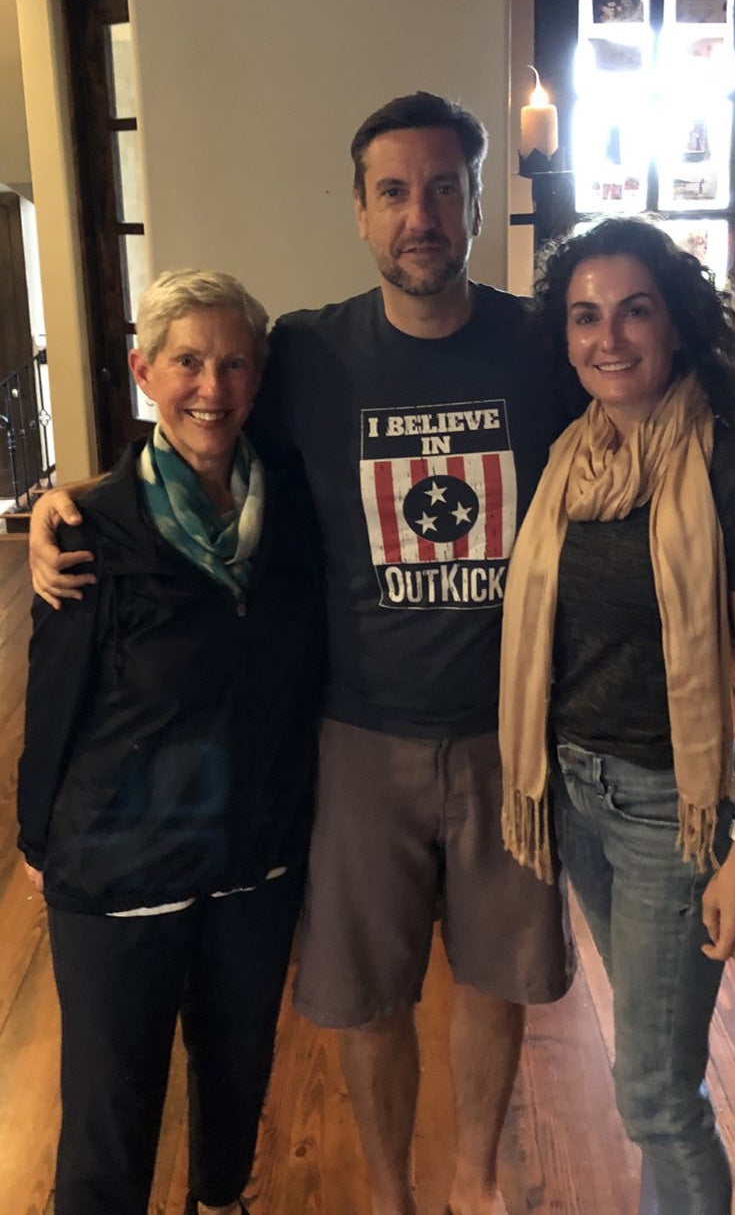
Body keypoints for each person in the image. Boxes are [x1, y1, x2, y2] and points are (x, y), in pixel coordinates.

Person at [28, 92, 578, 1215]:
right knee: (368, 992)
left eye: (440, 188)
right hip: (357, 733)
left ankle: (475, 1188)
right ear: (360, 212)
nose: (417, 213)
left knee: (495, 976)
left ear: (476, 201)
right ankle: (388, 1195)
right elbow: (194, 428)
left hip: (503, 730)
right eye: (392, 191)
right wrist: (62, 497)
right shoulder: (306, 357)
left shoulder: (540, 343)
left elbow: (640, 410)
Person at [499, 216, 735, 1215]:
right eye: (585, 316)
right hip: (573, 794)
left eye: (634, 310)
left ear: (677, 327)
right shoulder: (563, 466)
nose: (609, 337)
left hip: (667, 809)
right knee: (649, 1048)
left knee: (654, 1091)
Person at [18, 270, 324, 1215]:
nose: (212, 386)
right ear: (144, 370)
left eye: (234, 363)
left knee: (237, 1079)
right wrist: (38, 841)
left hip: (252, 858)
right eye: (187, 361)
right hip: (119, 868)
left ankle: (221, 1201)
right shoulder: (89, 528)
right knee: (111, 1118)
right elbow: (54, 698)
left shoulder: (297, 511)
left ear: (258, 376)